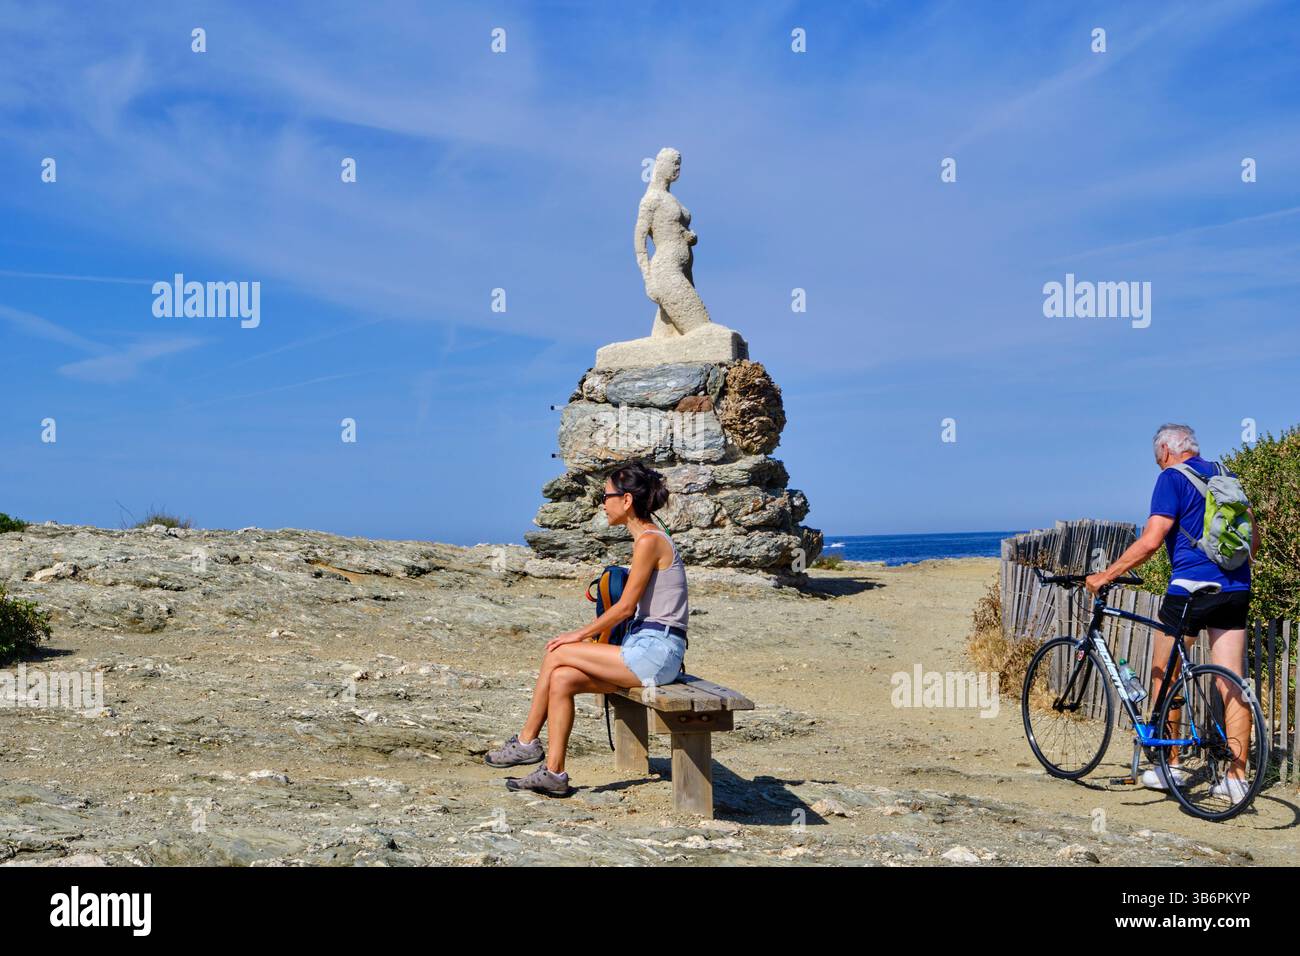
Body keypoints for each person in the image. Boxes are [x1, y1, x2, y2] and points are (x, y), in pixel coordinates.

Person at [484, 460, 690, 796]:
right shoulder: (648, 538)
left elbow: (625, 607)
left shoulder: (650, 541)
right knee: (563, 679)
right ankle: (553, 772)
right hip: (647, 648)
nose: (602, 503)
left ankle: (525, 742)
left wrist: (577, 634)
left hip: (657, 652)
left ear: (626, 501)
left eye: (606, 495)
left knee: (558, 651)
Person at [1086, 423, 1259, 802]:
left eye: (1156, 458)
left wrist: (1106, 575)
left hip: (1190, 589)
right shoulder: (1225, 474)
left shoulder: (1171, 479)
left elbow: (1151, 540)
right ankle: (1236, 778)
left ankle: (1171, 767)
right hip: (1235, 588)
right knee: (1231, 682)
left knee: (1164, 674)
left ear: (1165, 451)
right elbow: (1254, 541)